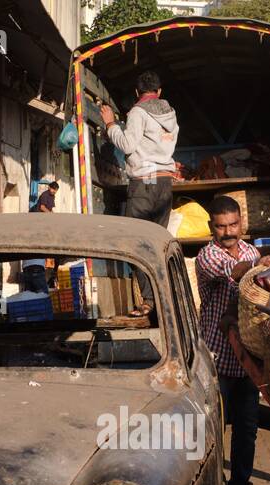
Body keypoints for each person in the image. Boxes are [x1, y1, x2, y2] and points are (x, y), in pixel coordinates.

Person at [194, 195, 270, 485]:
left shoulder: (252, 251)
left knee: (247, 428)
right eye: (221, 226)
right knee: (211, 432)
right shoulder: (207, 256)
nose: (228, 232)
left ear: (242, 223)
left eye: (233, 225)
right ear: (212, 227)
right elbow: (237, 271)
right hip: (217, 358)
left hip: (247, 360)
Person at [100, 70, 179, 316]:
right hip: (165, 184)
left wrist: (111, 123)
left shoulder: (137, 112)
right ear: (160, 91)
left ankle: (148, 301)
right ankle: (165, 298)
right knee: (158, 244)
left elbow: (128, 145)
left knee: (136, 244)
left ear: (137, 92)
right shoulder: (171, 113)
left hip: (144, 183)